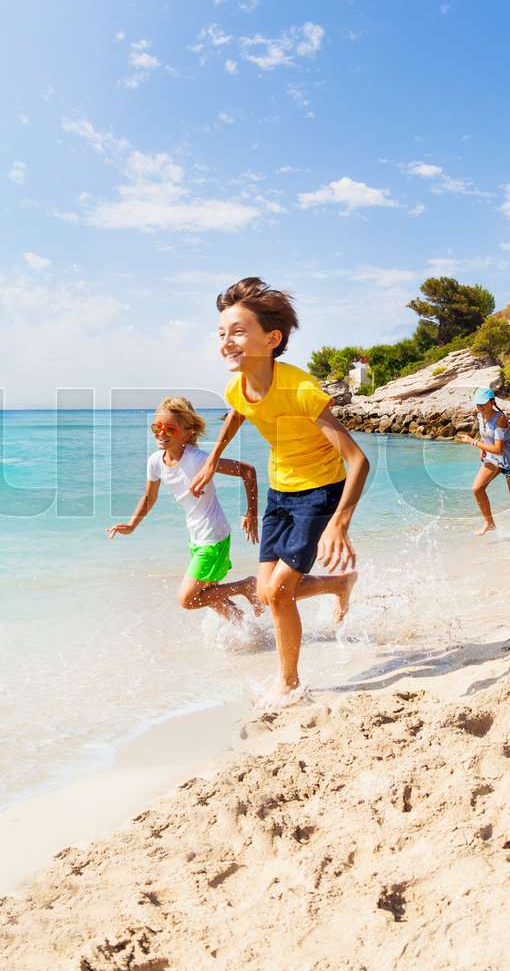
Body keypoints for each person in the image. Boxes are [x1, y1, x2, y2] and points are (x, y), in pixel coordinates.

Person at [189, 277, 369, 708]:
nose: (226, 342)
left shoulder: (300, 390)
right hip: (279, 492)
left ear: (272, 339)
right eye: (221, 333)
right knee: (266, 591)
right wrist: (213, 458)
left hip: (320, 491)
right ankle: (339, 584)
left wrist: (339, 524)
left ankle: (288, 683)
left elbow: (358, 460)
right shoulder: (236, 387)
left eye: (238, 332)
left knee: (278, 593)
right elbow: (238, 412)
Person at [108, 397, 262, 620]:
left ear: (188, 433)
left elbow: (247, 471)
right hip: (196, 537)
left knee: (188, 599)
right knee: (210, 597)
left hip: (213, 537)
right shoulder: (155, 461)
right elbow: (149, 497)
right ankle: (247, 630)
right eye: (157, 427)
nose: (161, 433)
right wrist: (132, 525)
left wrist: (251, 514)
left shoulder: (197, 459)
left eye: (169, 429)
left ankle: (246, 586)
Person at [459, 386, 510, 536]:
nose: (480, 407)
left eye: (483, 403)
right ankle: (489, 523)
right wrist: (482, 447)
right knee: (477, 489)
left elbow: (498, 449)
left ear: (492, 401)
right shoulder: (480, 415)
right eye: (478, 404)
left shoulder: (500, 419)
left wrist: (473, 442)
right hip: (492, 458)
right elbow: (485, 433)